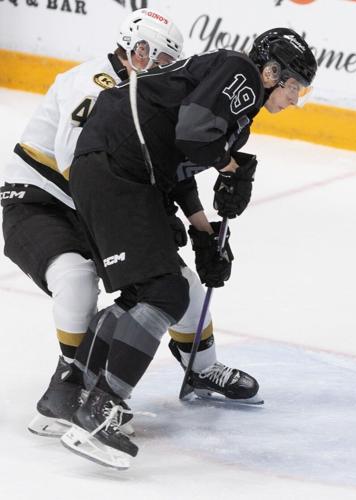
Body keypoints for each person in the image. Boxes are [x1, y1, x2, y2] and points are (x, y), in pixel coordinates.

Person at [60, 27, 317, 468]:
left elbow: (179, 164)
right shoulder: (240, 73)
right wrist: (232, 168)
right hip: (117, 165)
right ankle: (100, 414)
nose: (295, 99)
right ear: (271, 72)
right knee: (167, 293)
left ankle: (66, 392)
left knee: (149, 292)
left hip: (119, 167)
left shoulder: (239, 113)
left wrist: (203, 232)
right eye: (294, 86)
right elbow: (194, 133)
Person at [0, 9, 260, 441]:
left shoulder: (143, 94)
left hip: (96, 208)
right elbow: (78, 164)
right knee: (77, 278)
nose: (165, 71)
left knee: (180, 282)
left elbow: (164, 168)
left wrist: (199, 229)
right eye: (160, 61)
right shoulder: (93, 84)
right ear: (138, 50)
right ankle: (68, 387)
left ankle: (201, 369)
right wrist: (150, 216)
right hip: (41, 204)